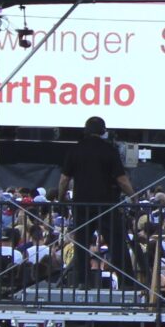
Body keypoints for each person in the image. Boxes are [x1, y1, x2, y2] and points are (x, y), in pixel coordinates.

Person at [59, 116, 133, 281]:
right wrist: (133, 196)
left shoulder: (75, 150)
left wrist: (61, 198)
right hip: (106, 204)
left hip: (82, 204)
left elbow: (64, 179)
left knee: (81, 244)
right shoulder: (109, 151)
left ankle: (82, 281)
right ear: (103, 131)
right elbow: (121, 179)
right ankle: (127, 282)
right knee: (116, 243)